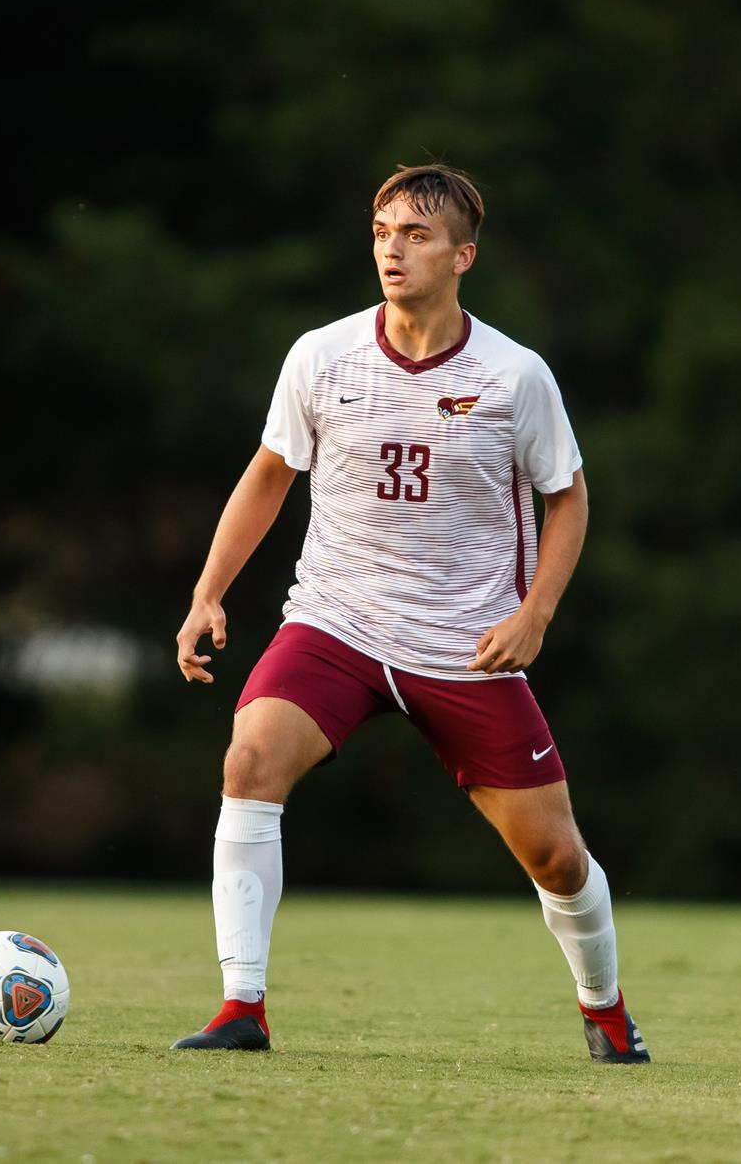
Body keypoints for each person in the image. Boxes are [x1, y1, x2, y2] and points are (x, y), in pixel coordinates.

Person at [169, 163, 648, 1064]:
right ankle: (242, 1007)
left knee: (556, 858)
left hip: (464, 645)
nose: (393, 247)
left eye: (417, 234)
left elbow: (570, 499)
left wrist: (536, 613)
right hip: (336, 621)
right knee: (250, 757)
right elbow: (271, 473)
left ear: (463, 255)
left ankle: (607, 1009)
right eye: (384, 230)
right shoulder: (321, 354)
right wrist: (207, 593)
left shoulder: (515, 375)